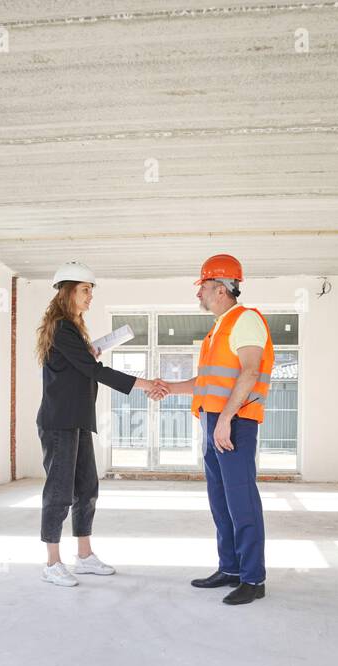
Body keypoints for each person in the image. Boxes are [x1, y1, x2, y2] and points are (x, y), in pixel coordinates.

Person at [35, 261, 167, 587]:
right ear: (68, 292)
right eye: (85, 290)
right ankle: (52, 562)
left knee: (87, 489)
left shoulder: (73, 330)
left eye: (91, 291)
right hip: (59, 423)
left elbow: (83, 369)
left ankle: (84, 556)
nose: (89, 297)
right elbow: (96, 373)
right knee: (59, 493)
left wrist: (89, 352)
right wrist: (146, 383)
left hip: (77, 421)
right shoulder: (63, 328)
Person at [153, 254, 275, 605]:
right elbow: (208, 382)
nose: (199, 296)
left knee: (242, 501)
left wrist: (224, 420)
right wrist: (169, 387)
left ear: (221, 289)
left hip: (234, 423)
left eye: (203, 288)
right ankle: (231, 568)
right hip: (216, 422)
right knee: (221, 501)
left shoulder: (245, 320)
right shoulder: (218, 329)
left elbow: (249, 373)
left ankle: (253, 579)